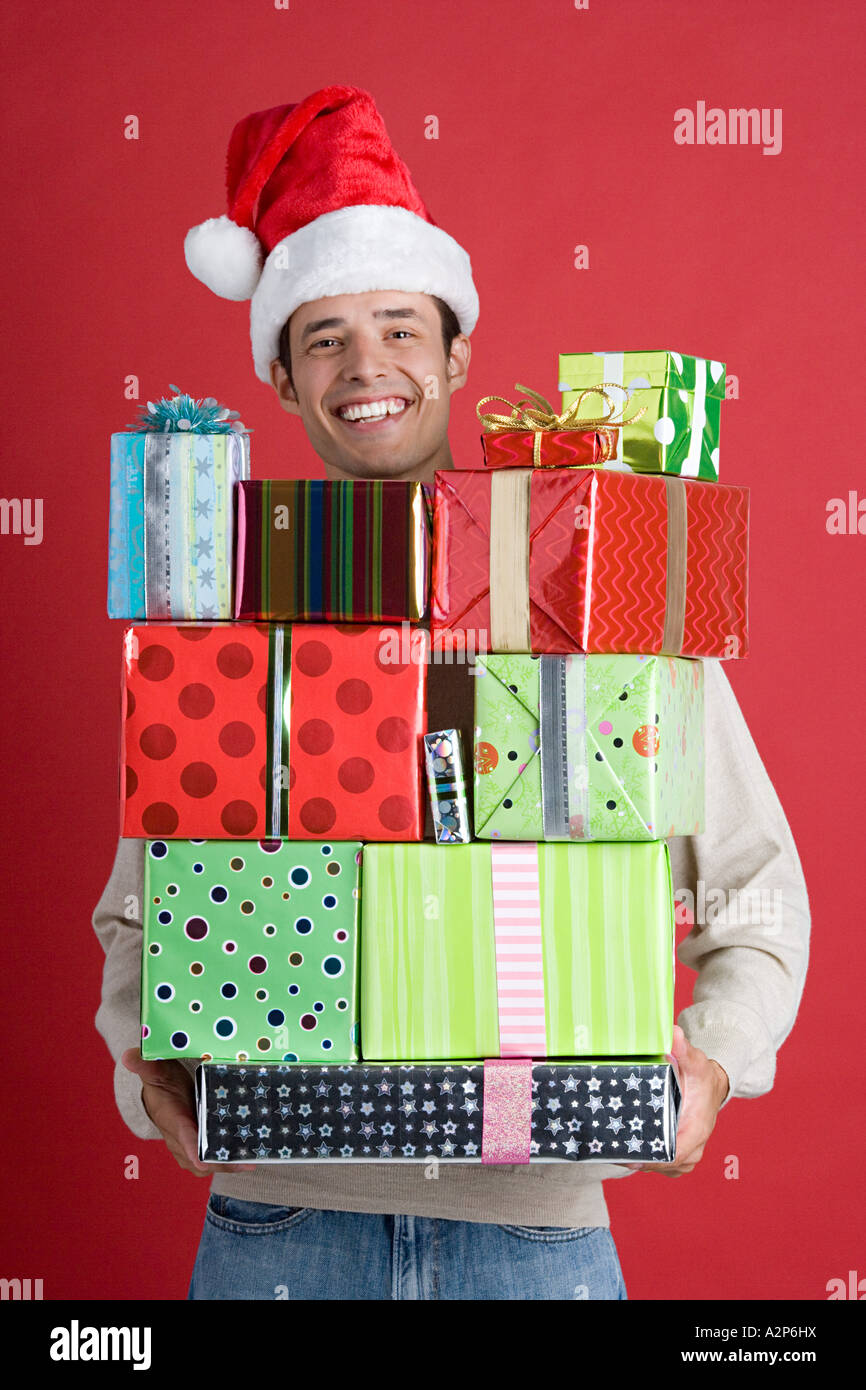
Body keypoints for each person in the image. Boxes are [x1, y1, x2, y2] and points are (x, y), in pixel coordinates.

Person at [93, 86, 810, 1302]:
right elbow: (143, 905)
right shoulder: (227, 594)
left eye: (397, 326)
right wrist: (145, 1066)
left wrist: (716, 1064)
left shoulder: (594, 582)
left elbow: (754, 888)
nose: (365, 365)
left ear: (457, 349)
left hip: (534, 1239)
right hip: (281, 1223)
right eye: (322, 337)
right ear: (281, 375)